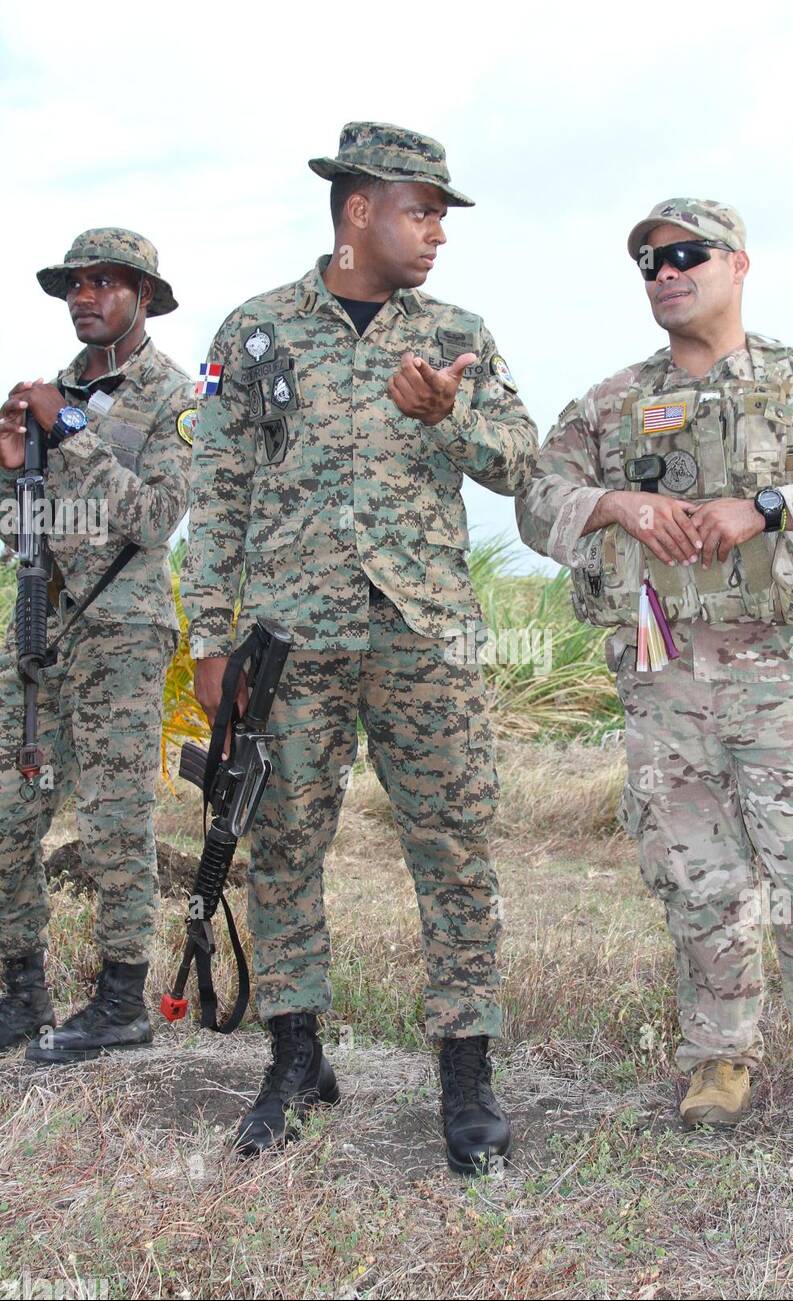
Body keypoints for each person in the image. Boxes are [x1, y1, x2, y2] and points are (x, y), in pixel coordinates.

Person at [517, 199, 793, 1147]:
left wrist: (766, 507)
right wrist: (615, 504)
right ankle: (717, 1053)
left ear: (738, 265)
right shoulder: (611, 403)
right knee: (692, 872)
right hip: (661, 674)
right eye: (649, 262)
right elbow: (538, 496)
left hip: (781, 669)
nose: (665, 273)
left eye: (685, 255)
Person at [183, 122, 537, 1172]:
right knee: (283, 841)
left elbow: (518, 458)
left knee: (455, 847)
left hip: (424, 631)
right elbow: (218, 493)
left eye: (438, 214)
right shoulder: (253, 332)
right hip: (290, 635)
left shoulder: (457, 331)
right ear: (358, 211)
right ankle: (294, 1062)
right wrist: (210, 637)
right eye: (420, 211)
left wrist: (445, 419)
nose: (435, 232)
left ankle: (465, 1077)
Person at [0, 228, 191, 1062]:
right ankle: (21, 993)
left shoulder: (176, 397)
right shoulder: (52, 391)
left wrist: (67, 428)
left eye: (105, 283)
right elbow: (19, 537)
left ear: (143, 296)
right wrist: (10, 466)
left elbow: (154, 520)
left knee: (115, 821)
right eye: (75, 285)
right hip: (42, 625)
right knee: (8, 813)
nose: (85, 297)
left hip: (121, 631)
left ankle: (120, 1001)